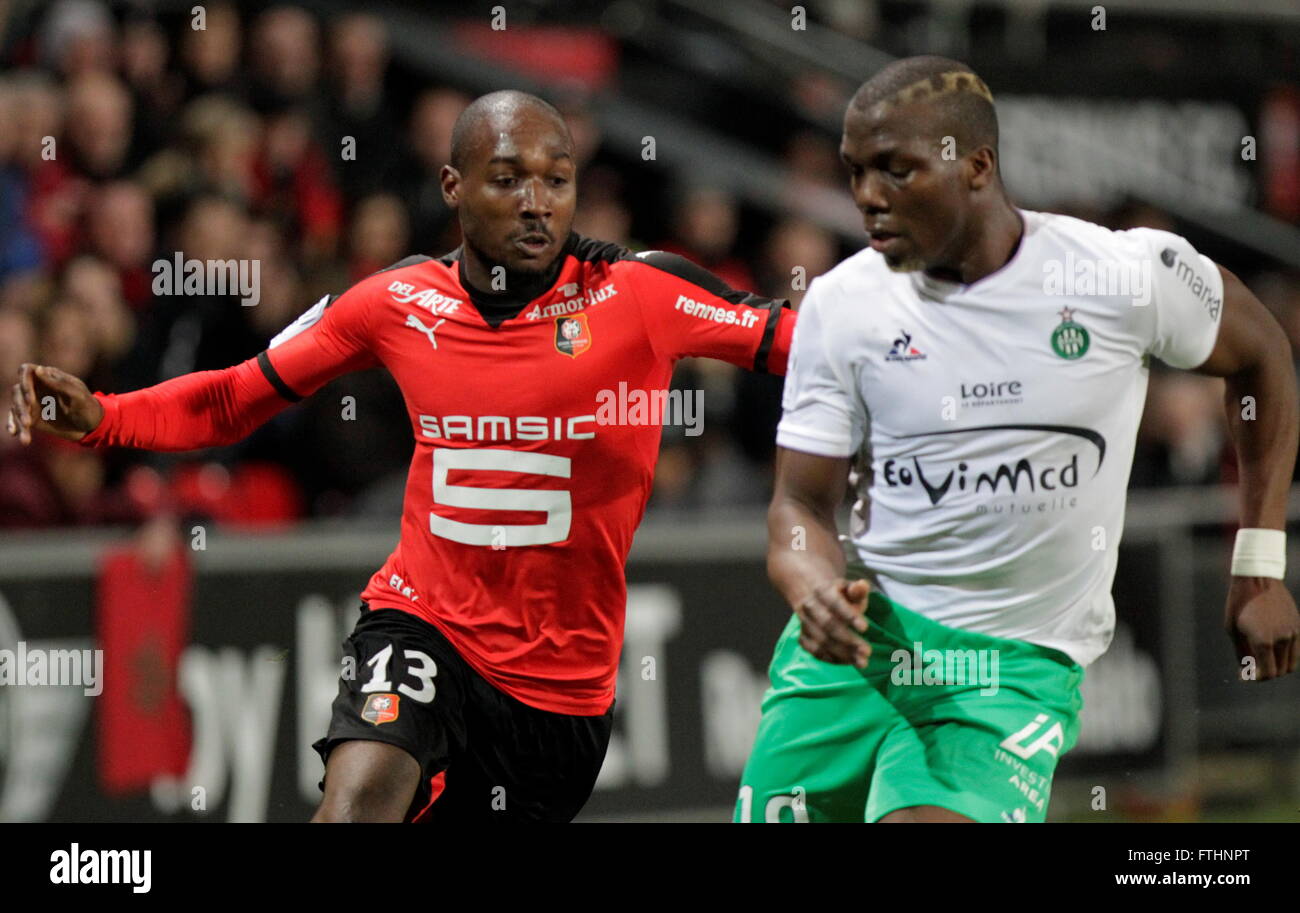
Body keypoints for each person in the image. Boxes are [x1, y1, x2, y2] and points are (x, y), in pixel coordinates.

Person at [8, 90, 796, 822]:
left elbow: (801, 339)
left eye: (557, 180)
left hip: (559, 695)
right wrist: (101, 418)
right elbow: (235, 397)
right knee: (355, 806)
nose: (536, 202)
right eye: (508, 178)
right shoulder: (396, 301)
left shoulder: (637, 293)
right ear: (452, 186)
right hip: (422, 623)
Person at [737, 57, 1298, 824]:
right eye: (856, 172)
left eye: (896, 171)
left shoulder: (1119, 276)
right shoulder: (842, 305)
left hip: (1008, 668)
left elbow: (1264, 355)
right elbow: (799, 505)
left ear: (976, 167)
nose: (867, 197)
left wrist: (1259, 562)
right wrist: (814, 588)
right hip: (860, 653)